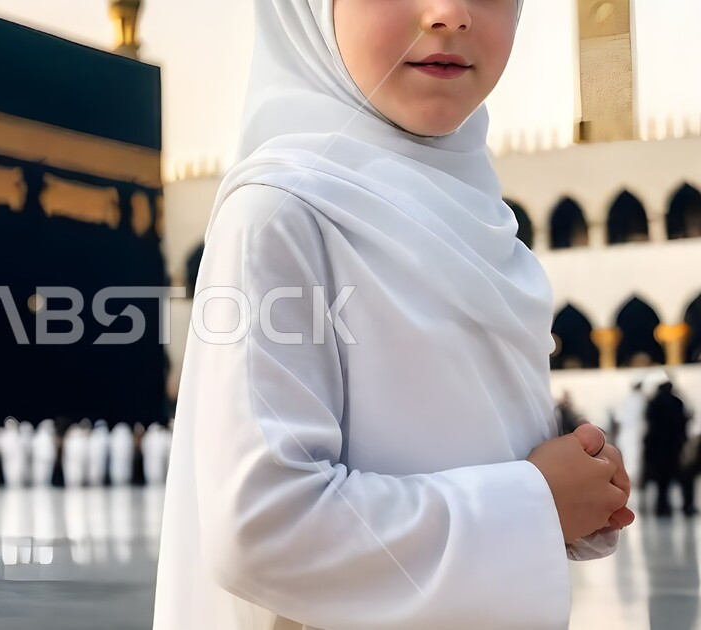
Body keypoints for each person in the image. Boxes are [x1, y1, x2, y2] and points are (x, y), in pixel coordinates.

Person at [152, 2, 634, 629]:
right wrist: (537, 503)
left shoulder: (486, 224)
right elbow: (262, 529)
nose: (450, 13)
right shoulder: (280, 216)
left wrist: (573, 494)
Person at [644, 379, 695, 517]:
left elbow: (650, 423)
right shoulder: (677, 402)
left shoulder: (654, 402)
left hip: (658, 447)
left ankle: (662, 507)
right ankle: (687, 506)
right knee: (684, 478)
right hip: (675, 446)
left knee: (662, 481)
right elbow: (683, 422)